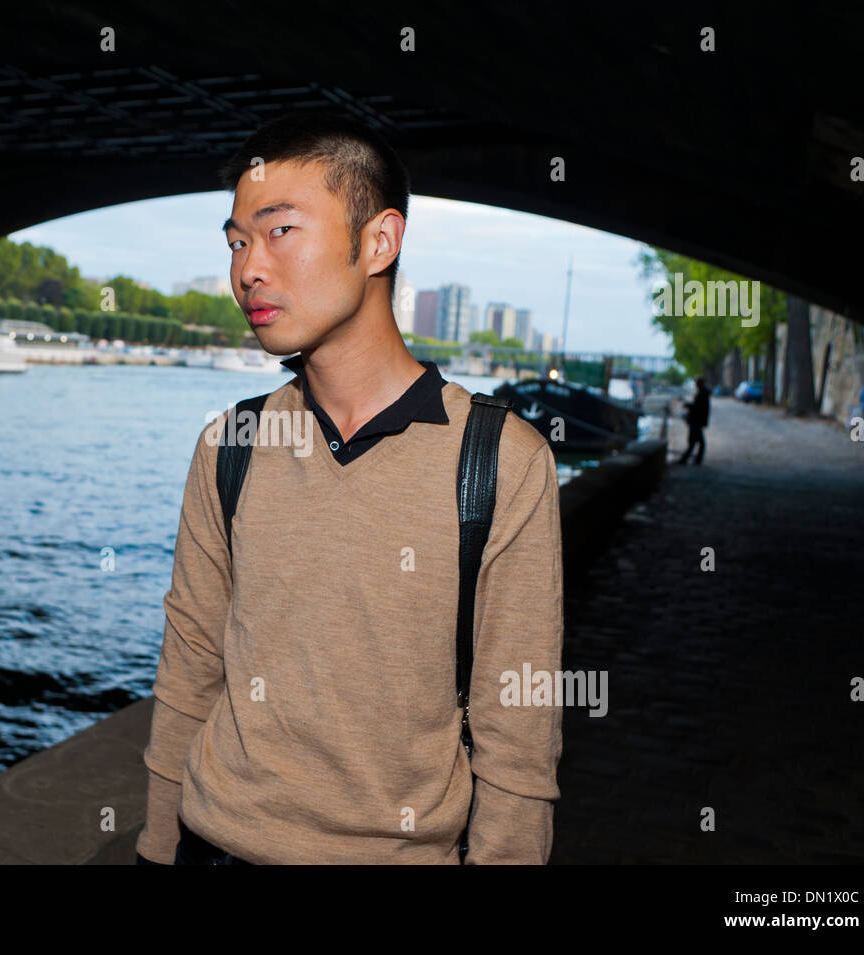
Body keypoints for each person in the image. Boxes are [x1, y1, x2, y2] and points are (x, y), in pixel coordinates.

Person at [133, 111, 563, 866]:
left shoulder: (500, 462)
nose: (247, 269)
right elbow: (190, 668)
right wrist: (156, 847)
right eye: (236, 241)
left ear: (378, 242)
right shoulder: (228, 446)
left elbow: (518, 737)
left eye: (279, 231)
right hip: (214, 848)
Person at [678, 377, 711, 465]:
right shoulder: (703, 393)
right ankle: (693, 459)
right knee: (698, 441)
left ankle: (686, 459)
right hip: (697, 421)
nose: (696, 385)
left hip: (696, 421)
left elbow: (699, 408)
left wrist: (688, 405)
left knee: (694, 442)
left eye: (697, 383)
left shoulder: (702, 394)